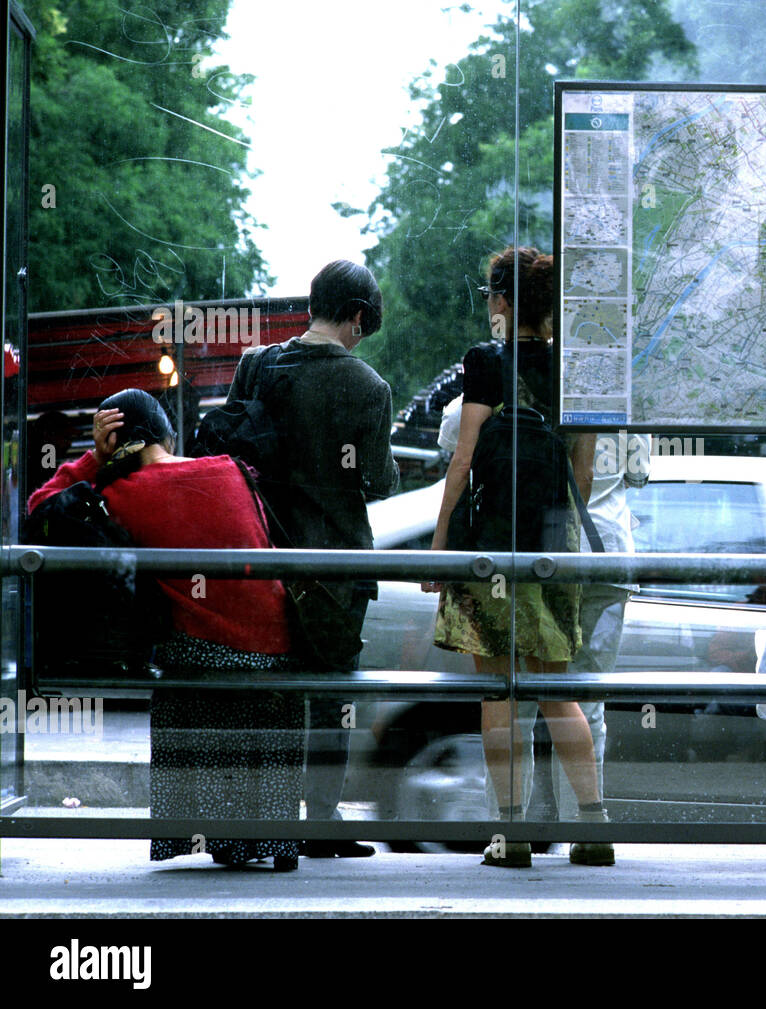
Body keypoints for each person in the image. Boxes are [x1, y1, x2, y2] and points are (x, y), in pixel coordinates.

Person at [28, 389, 303, 871]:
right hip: (278, 648)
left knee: (180, 672)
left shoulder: (121, 495)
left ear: (117, 443)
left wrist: (94, 458)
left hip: (205, 658)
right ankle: (274, 841)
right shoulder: (227, 469)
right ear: (167, 433)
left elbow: (40, 507)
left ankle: (221, 838)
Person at [422, 247, 605, 869]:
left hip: (490, 552)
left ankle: (512, 832)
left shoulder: (485, 363)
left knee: (499, 690)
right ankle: (594, 827)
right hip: (553, 542)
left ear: (501, 300)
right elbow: (581, 471)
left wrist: (441, 546)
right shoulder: (572, 368)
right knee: (556, 689)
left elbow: (462, 460)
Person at [225, 259, 399, 858]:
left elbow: (229, 460)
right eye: (364, 326)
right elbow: (377, 481)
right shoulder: (368, 387)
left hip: (262, 554)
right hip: (337, 567)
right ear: (356, 316)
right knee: (332, 697)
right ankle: (322, 823)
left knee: (269, 691)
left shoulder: (256, 366)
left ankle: (262, 823)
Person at [438, 397, 648, 863]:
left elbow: (456, 442)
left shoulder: (499, 377)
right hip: (604, 553)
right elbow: (636, 473)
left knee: (513, 701)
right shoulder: (607, 393)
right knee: (582, 699)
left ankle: (510, 832)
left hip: (529, 554)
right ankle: (590, 831)